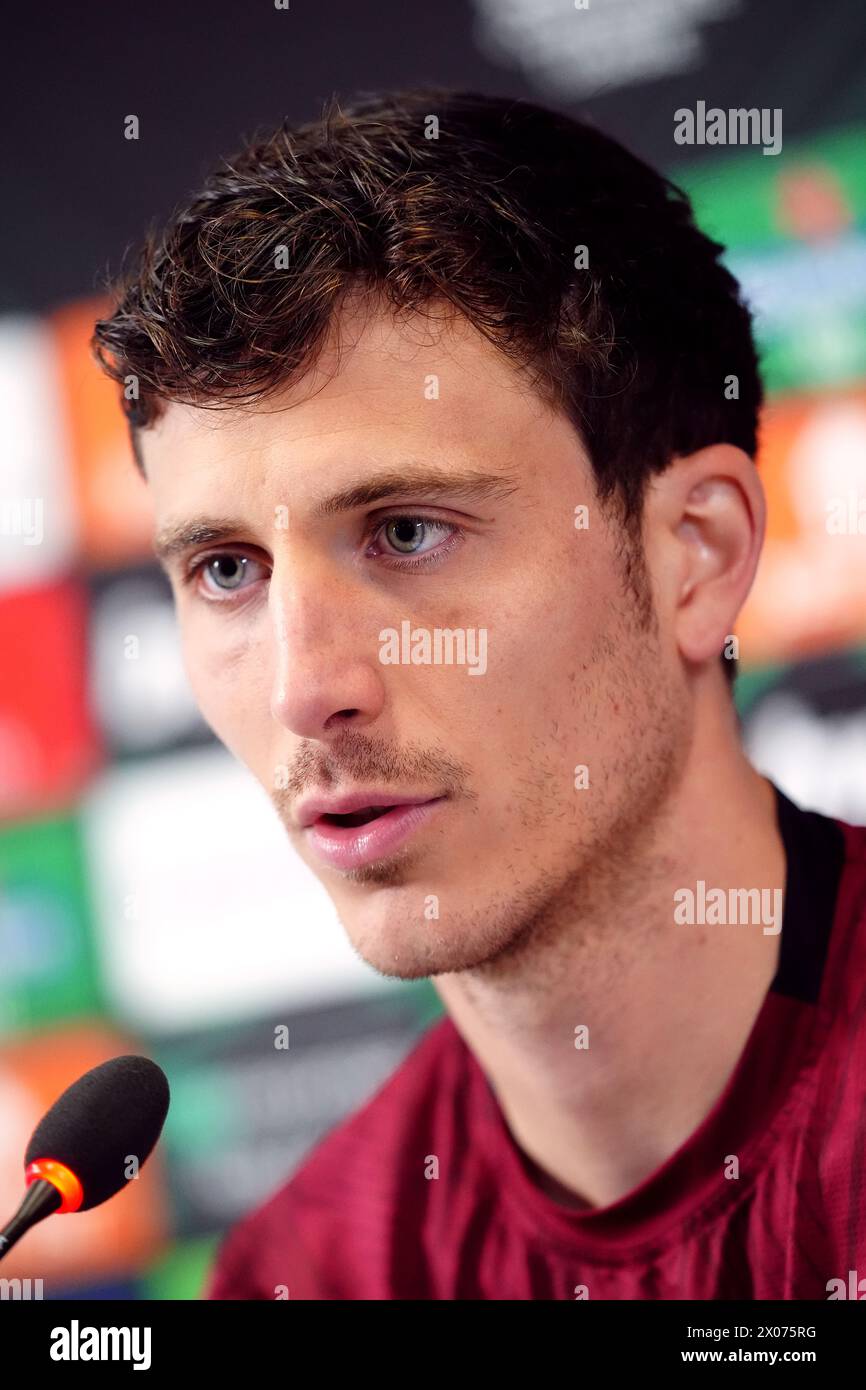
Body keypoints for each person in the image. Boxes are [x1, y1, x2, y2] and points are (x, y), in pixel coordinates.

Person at [91, 89, 866, 1300]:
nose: (305, 689)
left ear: (693, 556)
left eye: (405, 532)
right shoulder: (304, 1276)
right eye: (226, 570)